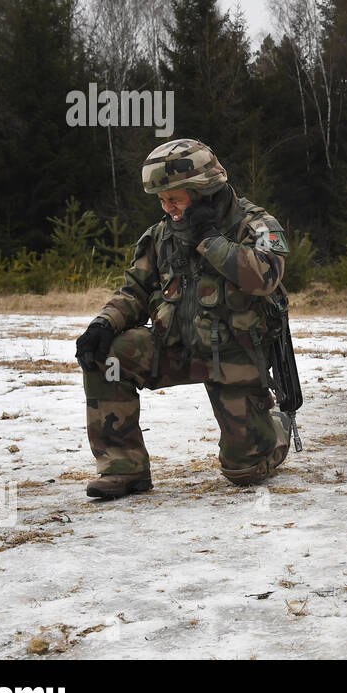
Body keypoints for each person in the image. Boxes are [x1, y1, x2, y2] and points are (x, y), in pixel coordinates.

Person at [75, 139, 293, 499]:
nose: (168, 208)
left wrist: (208, 239)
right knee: (106, 354)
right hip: (175, 347)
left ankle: (274, 429)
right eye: (162, 201)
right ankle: (123, 468)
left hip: (234, 357)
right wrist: (103, 323)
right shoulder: (161, 236)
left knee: (244, 471)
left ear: (204, 190)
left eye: (175, 199)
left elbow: (264, 276)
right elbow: (135, 291)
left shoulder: (256, 225)